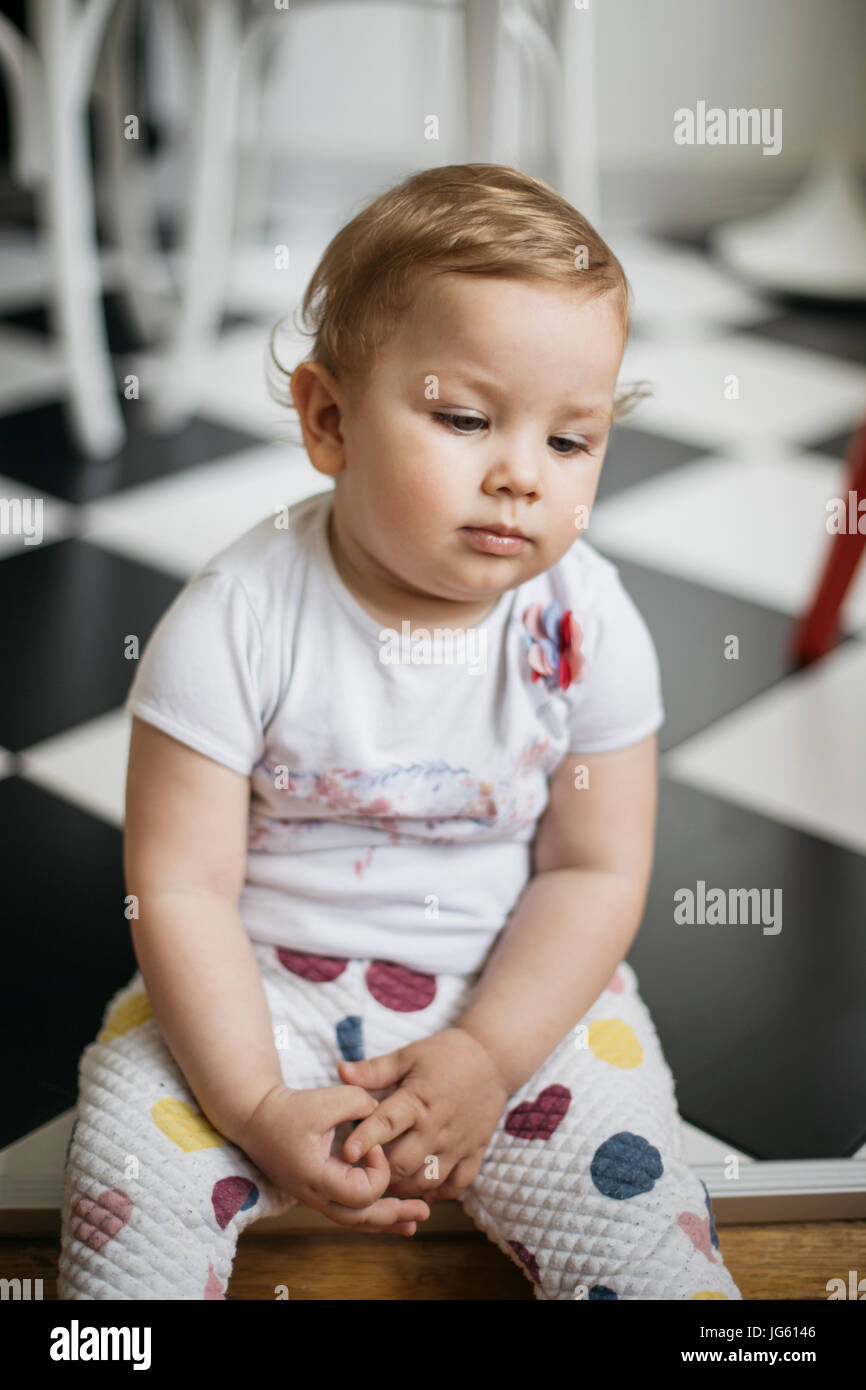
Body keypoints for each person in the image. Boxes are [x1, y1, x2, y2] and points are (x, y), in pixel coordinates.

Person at [57, 163, 741, 1301]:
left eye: (571, 442)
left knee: (642, 1215)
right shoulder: (236, 618)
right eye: (465, 419)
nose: (521, 474)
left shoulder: (589, 620)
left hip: (512, 987)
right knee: (130, 1186)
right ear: (328, 419)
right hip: (251, 986)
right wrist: (253, 1103)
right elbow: (176, 888)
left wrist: (489, 1054)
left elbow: (594, 867)